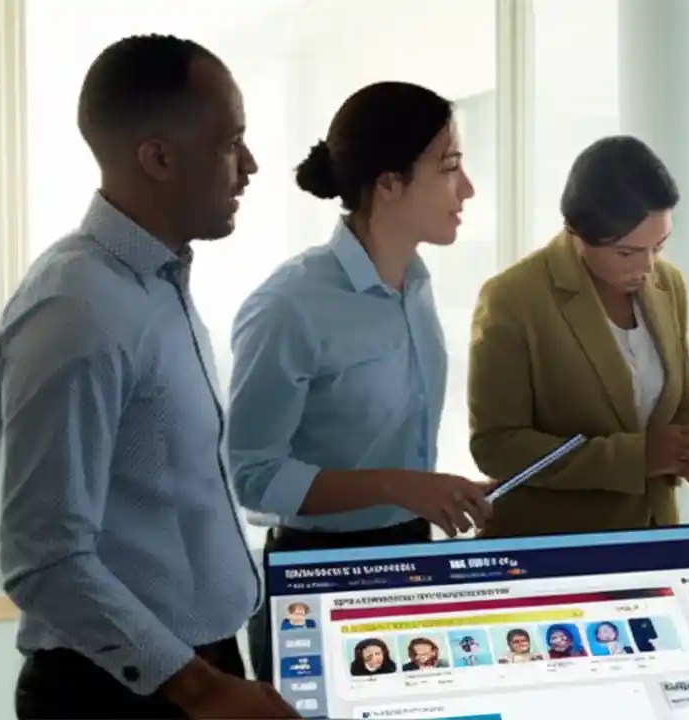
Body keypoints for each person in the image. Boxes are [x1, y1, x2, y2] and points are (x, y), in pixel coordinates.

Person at [0, 35, 296, 719]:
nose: (250, 166)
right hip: (123, 692)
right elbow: (43, 559)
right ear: (157, 156)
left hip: (194, 669)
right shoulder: (77, 309)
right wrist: (200, 688)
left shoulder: (157, 287)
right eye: (230, 143)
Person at [227, 81, 492, 682]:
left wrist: (437, 493)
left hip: (411, 556)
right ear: (389, 184)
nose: (468, 188)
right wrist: (399, 485)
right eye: (449, 167)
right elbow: (252, 476)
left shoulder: (416, 286)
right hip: (317, 573)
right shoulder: (289, 305)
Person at [468, 136, 689, 537]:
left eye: (659, 245)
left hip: (654, 536)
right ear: (576, 230)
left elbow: (676, 405)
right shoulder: (512, 298)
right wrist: (638, 457)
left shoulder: (668, 284)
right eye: (627, 252)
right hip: (555, 543)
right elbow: (497, 447)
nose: (647, 265)